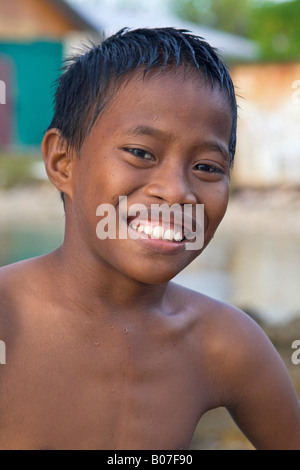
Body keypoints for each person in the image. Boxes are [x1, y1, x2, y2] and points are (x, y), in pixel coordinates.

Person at [0, 27, 299, 451]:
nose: (177, 191)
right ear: (62, 162)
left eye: (208, 167)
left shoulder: (224, 344)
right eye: (141, 153)